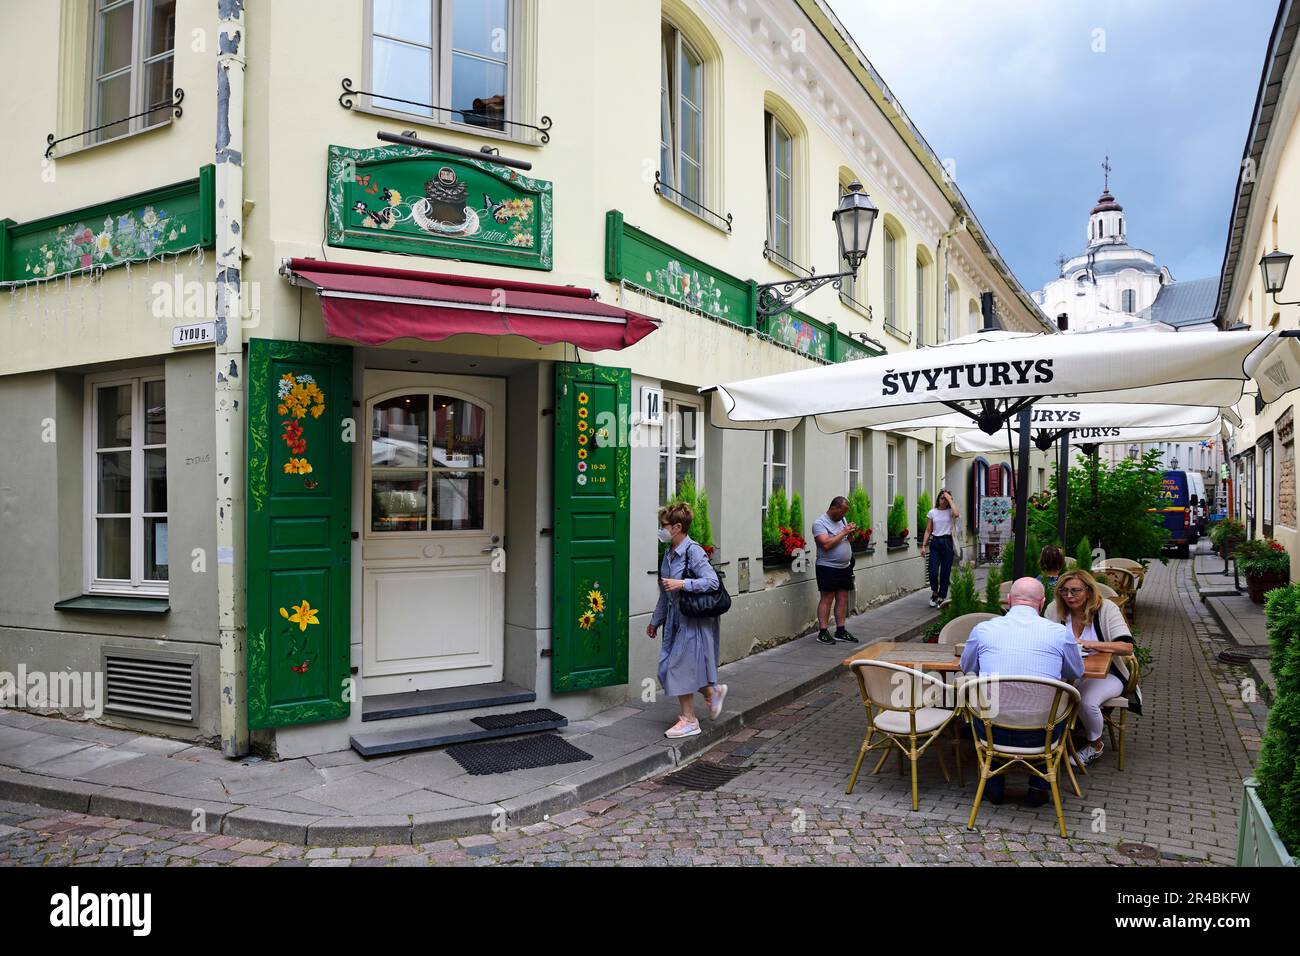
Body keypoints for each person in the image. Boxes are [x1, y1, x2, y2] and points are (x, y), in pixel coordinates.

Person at [959, 577, 1084, 806]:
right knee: (1060, 706)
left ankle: (994, 784)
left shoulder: (984, 629)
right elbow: (1075, 670)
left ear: (1008, 600)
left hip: (992, 731)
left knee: (986, 706)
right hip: (1041, 733)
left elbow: (967, 668)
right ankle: (1039, 787)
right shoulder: (1059, 633)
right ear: (1042, 602)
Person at [647, 502, 727, 739]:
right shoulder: (669, 553)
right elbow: (665, 591)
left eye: (664, 525)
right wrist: (655, 620)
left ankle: (689, 720)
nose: (661, 530)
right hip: (675, 619)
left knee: (678, 667)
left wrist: (683, 584)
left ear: (678, 527)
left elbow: (712, 581)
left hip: (693, 620)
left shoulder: (693, 551)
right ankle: (712, 693)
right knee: (668, 667)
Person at [1044, 569, 1138, 768]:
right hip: (1066, 670)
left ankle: (1095, 744)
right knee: (1043, 695)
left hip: (1107, 673)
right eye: (1064, 591)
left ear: (1088, 591)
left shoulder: (1107, 609)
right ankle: (1049, 742)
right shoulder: (1054, 609)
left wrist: (1088, 643)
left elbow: (1126, 647)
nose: (1069, 596)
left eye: (1075, 591)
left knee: (1086, 701)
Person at [811, 496, 859, 645]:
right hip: (827, 567)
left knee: (843, 597)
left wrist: (850, 534)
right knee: (827, 598)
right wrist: (844, 532)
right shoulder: (819, 523)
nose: (844, 516)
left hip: (844, 567)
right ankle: (823, 632)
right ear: (834, 509)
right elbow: (825, 544)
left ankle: (840, 630)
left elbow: (846, 541)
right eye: (842, 512)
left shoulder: (842, 520)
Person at [921, 489, 960, 608]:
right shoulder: (932, 512)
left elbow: (957, 514)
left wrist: (950, 499)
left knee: (945, 572)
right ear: (938, 498)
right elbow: (928, 530)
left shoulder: (950, 512)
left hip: (948, 542)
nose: (943, 501)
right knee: (932, 571)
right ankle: (934, 592)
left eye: (946, 499)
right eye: (942, 498)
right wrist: (923, 545)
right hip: (936, 543)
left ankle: (942, 597)